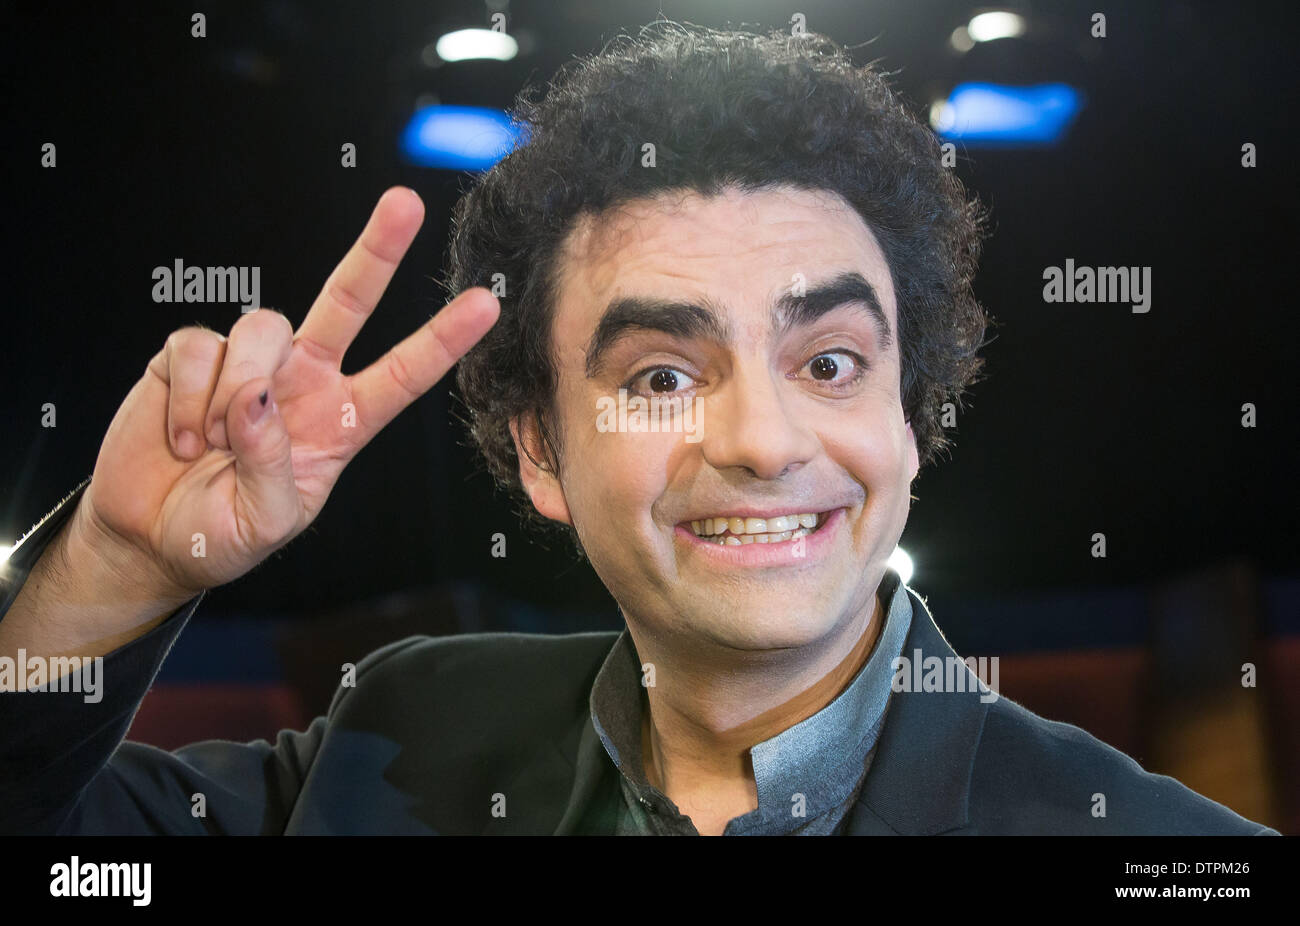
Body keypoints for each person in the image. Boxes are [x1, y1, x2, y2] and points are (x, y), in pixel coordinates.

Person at [0, 23, 1278, 835]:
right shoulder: (396, 736)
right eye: (663, 376)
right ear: (539, 451)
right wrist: (121, 565)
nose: (766, 440)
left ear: (906, 410)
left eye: (828, 359)